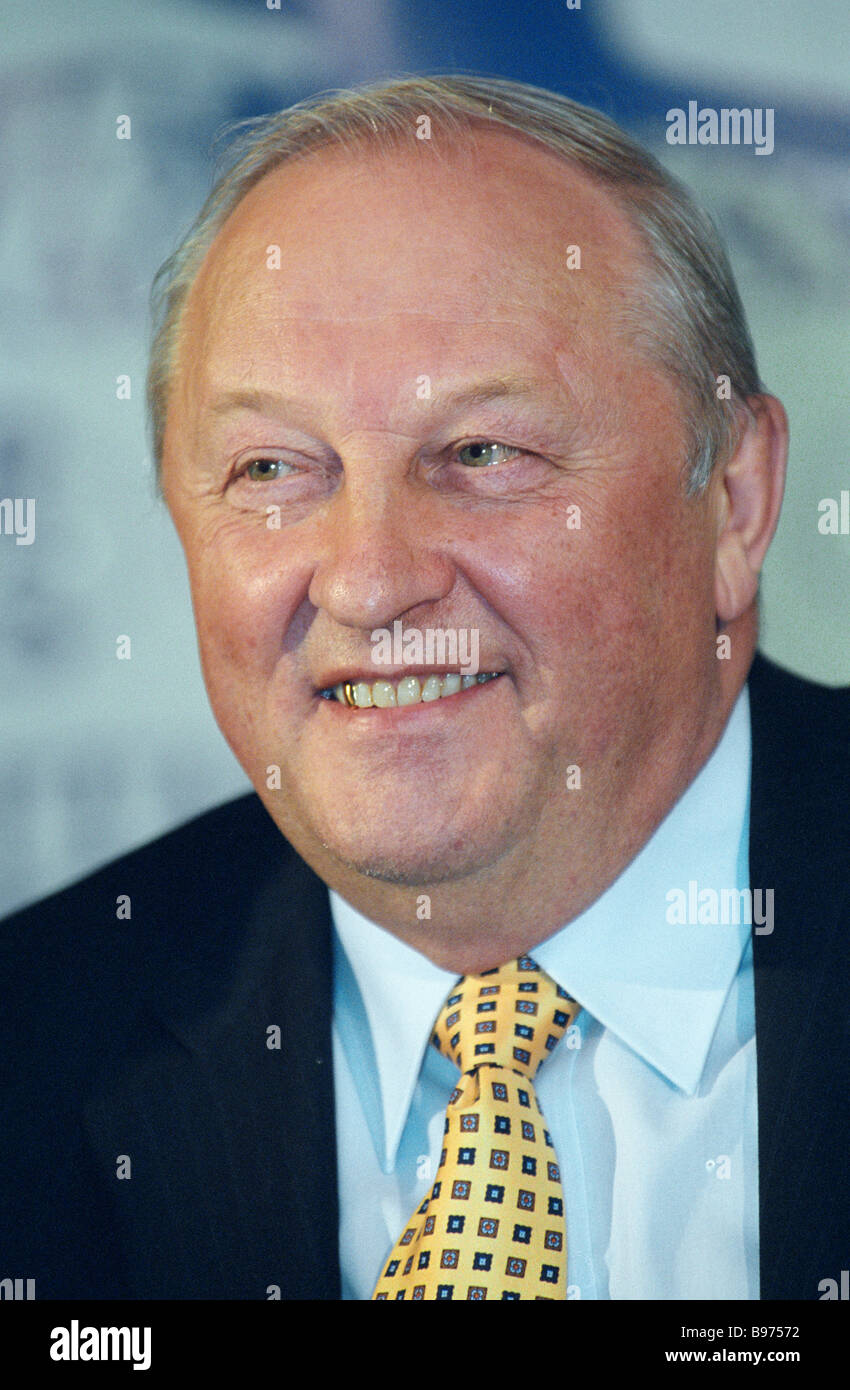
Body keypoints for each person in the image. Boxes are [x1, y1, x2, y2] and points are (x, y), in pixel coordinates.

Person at [1, 74, 847, 1302]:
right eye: (273, 467)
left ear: (732, 501)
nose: (368, 581)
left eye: (482, 453)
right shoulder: (32, 1045)